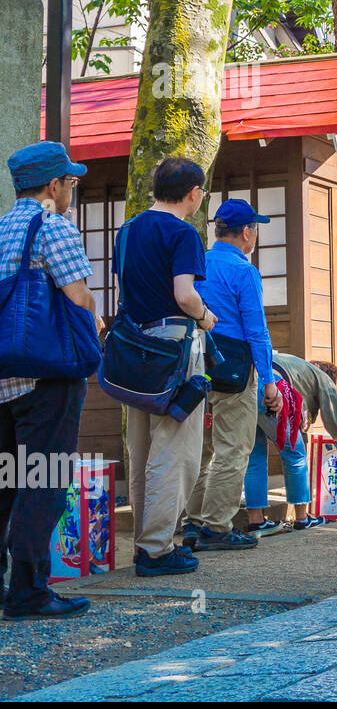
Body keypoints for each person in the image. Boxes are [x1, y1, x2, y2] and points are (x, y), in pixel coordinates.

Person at [0, 142, 98, 620]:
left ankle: (9, 585)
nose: (71, 190)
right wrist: (96, 327)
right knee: (44, 479)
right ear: (54, 184)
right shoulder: (53, 226)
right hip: (47, 378)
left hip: (4, 378)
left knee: (7, 481)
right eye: (71, 182)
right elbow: (78, 298)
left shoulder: (1, 228)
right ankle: (29, 592)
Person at [117, 158, 217, 577]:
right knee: (175, 448)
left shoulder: (126, 231)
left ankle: (146, 542)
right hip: (172, 346)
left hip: (132, 347)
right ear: (194, 192)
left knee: (140, 449)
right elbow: (183, 294)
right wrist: (205, 316)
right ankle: (156, 549)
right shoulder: (183, 233)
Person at [182, 199, 281, 552]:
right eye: (254, 228)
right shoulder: (244, 271)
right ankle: (216, 527)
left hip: (194, 364)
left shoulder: (198, 263)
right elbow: (257, 330)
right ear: (246, 232)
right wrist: (269, 381)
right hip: (235, 368)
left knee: (199, 449)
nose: (254, 234)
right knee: (233, 448)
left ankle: (192, 523)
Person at [244, 356, 337, 535]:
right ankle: (302, 518)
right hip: (270, 388)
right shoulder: (322, 377)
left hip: (245, 386)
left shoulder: (297, 366)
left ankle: (256, 521)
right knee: (295, 454)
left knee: (253, 456)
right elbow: (335, 417)